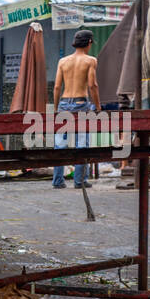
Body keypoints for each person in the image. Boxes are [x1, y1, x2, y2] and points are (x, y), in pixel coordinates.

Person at [53, 29, 100, 189]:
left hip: (64, 103)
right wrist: (98, 107)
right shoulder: (90, 60)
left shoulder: (63, 61)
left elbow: (57, 86)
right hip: (81, 103)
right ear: (89, 43)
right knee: (82, 143)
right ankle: (79, 181)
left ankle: (57, 181)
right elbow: (92, 85)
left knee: (60, 144)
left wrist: (55, 108)